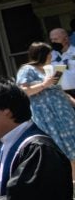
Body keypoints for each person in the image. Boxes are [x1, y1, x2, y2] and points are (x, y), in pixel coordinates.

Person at [13, 42, 75, 175]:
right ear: (42, 55)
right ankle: (69, 180)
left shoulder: (51, 69)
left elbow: (58, 90)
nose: (51, 56)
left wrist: (71, 100)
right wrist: (44, 84)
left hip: (63, 111)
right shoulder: (27, 69)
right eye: (49, 53)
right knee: (58, 144)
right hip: (46, 113)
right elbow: (23, 91)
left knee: (72, 140)